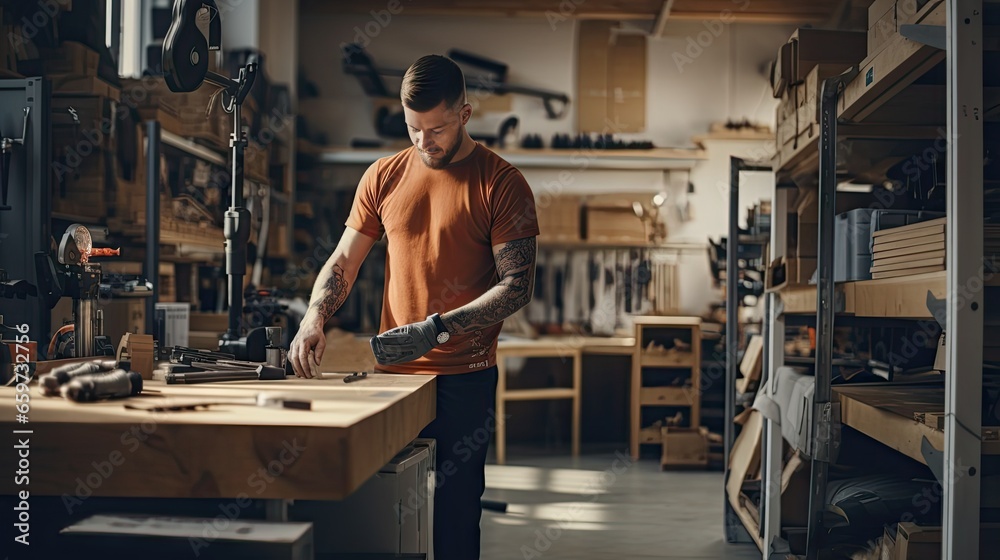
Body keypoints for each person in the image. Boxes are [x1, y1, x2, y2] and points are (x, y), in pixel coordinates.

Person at [288, 54, 539, 558]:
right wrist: (314, 315)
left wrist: (439, 327)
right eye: (413, 129)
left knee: (456, 513)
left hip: (464, 378)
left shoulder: (501, 182)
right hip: (395, 376)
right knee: (383, 504)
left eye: (437, 129)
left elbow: (517, 286)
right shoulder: (383, 176)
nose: (424, 142)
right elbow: (344, 260)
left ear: (464, 115)